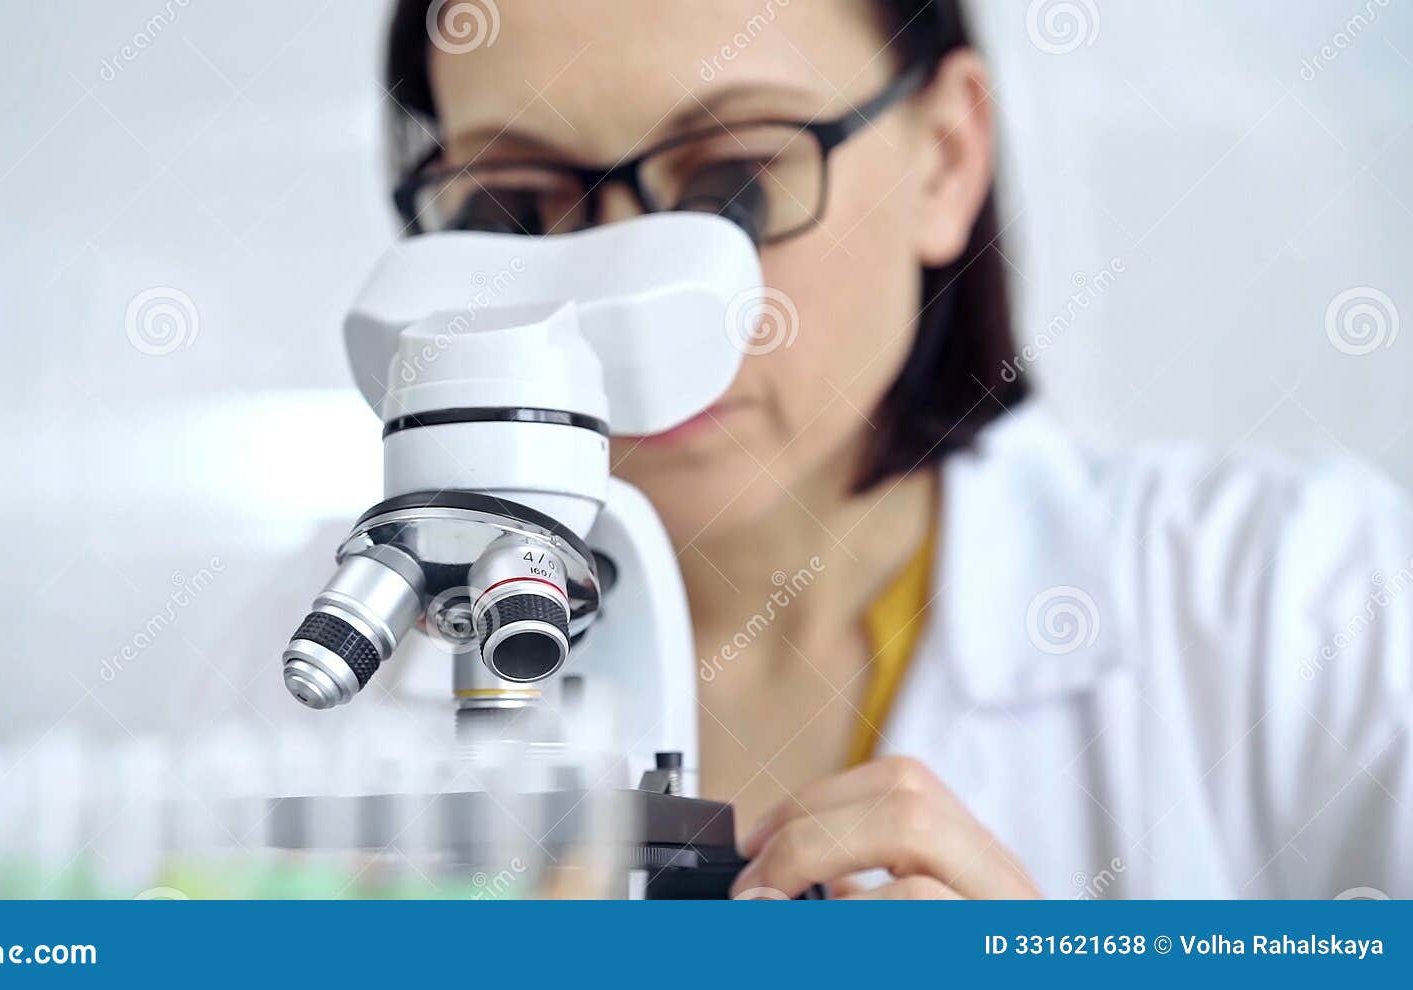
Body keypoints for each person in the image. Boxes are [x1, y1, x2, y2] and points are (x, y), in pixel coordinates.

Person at [380, 0, 1413, 898]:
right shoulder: (341, 653)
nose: (632, 314)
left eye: (735, 184)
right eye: (514, 209)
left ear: (947, 158)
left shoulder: (1307, 598)